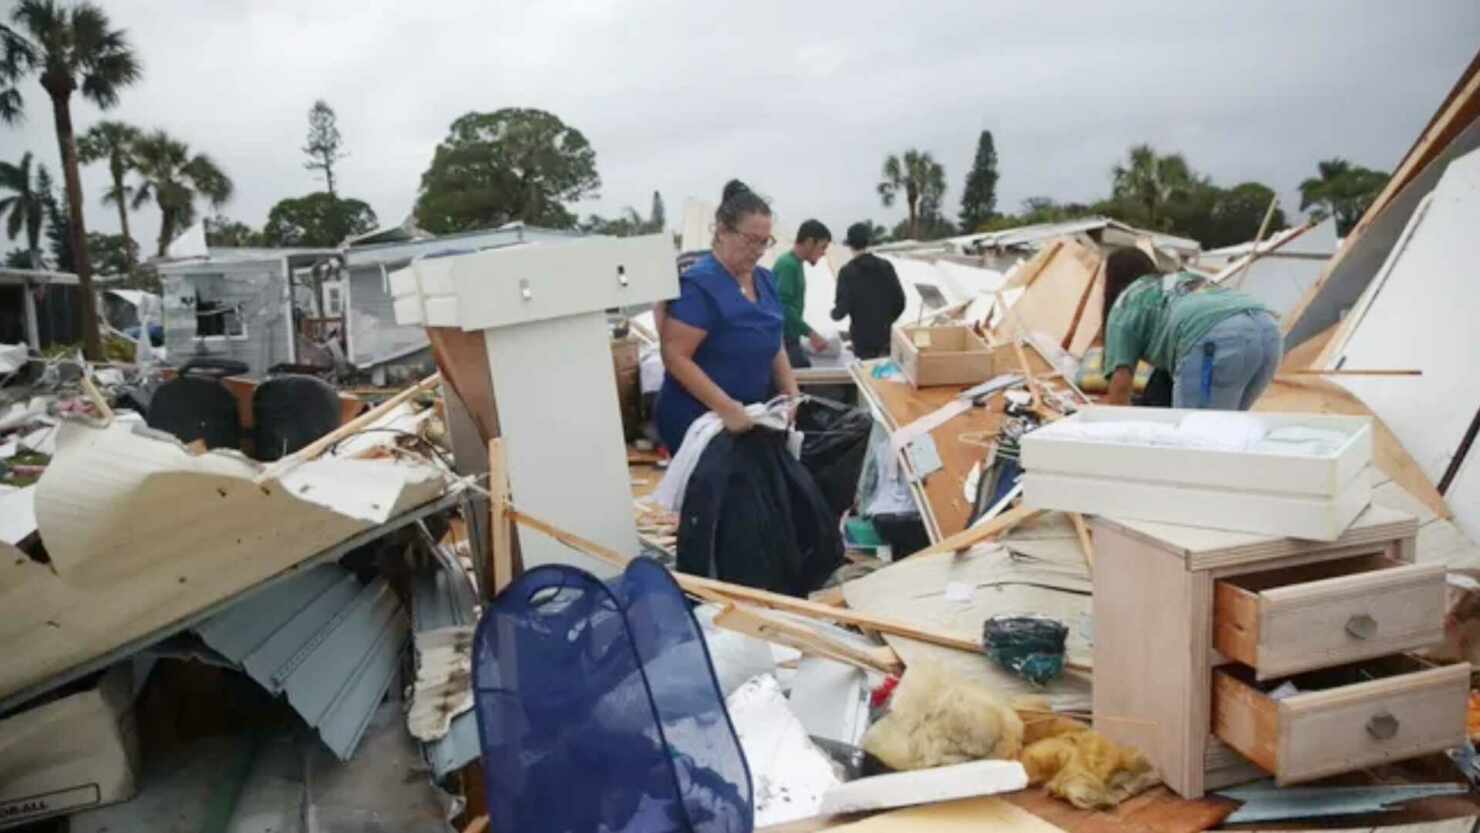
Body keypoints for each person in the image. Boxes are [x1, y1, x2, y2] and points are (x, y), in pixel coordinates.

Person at [656, 180, 801, 452]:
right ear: (722, 231)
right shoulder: (700, 285)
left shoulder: (766, 281)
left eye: (765, 242)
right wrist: (726, 408)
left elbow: (774, 341)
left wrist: (790, 393)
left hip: (749, 416)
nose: (758, 251)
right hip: (701, 419)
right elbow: (674, 355)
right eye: (750, 240)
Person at [1101, 247, 1282, 410]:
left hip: (1215, 336)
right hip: (1268, 329)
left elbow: (1121, 386)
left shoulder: (1125, 304)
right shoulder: (1178, 278)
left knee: (1195, 435)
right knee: (1228, 432)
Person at [831, 222, 906, 359]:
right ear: (868, 242)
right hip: (886, 338)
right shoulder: (886, 266)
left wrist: (833, 314)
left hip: (862, 342)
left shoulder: (847, 272)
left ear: (850, 244)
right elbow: (900, 302)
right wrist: (886, 321)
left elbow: (841, 309)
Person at [773, 220, 833, 369]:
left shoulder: (796, 263)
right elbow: (783, 306)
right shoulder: (788, 265)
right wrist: (811, 334)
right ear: (809, 242)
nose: (823, 253)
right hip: (784, 339)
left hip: (791, 336)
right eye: (822, 247)